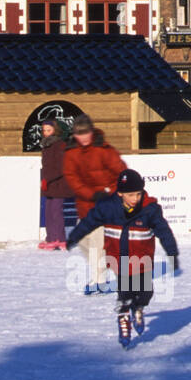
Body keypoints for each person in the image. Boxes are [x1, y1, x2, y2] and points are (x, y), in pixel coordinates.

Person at [67, 168, 180, 348]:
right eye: (130, 195)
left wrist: (172, 252)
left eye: (138, 194)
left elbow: (164, 231)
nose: (135, 198)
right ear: (120, 194)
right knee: (125, 292)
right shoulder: (108, 208)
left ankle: (138, 308)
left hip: (143, 260)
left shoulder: (150, 210)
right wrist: (74, 237)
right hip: (120, 259)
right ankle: (123, 318)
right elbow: (90, 221)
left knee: (146, 293)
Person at [62, 114, 127, 293]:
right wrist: (92, 194)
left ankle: (99, 281)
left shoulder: (104, 150)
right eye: (79, 134)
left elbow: (122, 173)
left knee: (98, 244)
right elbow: (72, 179)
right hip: (85, 206)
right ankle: (104, 269)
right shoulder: (70, 153)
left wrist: (109, 192)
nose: (83, 137)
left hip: (105, 205)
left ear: (92, 132)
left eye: (86, 133)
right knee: (83, 241)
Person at [37, 118, 72, 250]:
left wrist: (47, 179)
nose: (46, 133)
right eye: (44, 130)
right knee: (48, 210)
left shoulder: (59, 145)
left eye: (49, 130)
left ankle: (60, 239)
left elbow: (60, 167)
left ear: (55, 131)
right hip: (50, 183)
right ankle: (51, 238)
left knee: (56, 211)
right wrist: (45, 179)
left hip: (59, 184)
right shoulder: (46, 145)